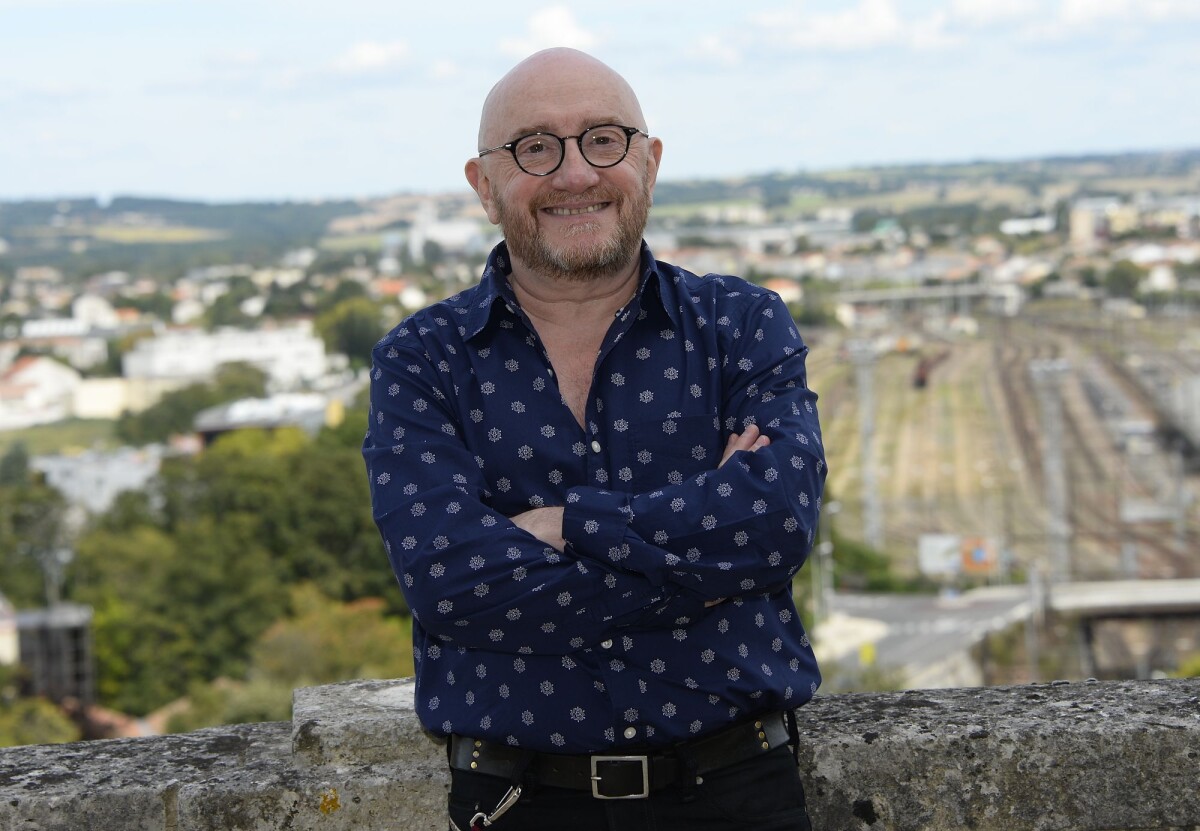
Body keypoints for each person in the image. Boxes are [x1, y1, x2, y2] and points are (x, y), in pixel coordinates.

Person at [363, 47, 826, 831]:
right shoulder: (421, 358)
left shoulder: (741, 324)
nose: (575, 174)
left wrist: (565, 527)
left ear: (648, 162)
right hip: (515, 803)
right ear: (483, 185)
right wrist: (701, 568)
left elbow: (775, 520)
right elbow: (450, 582)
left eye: (604, 140)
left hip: (740, 792)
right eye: (535, 147)